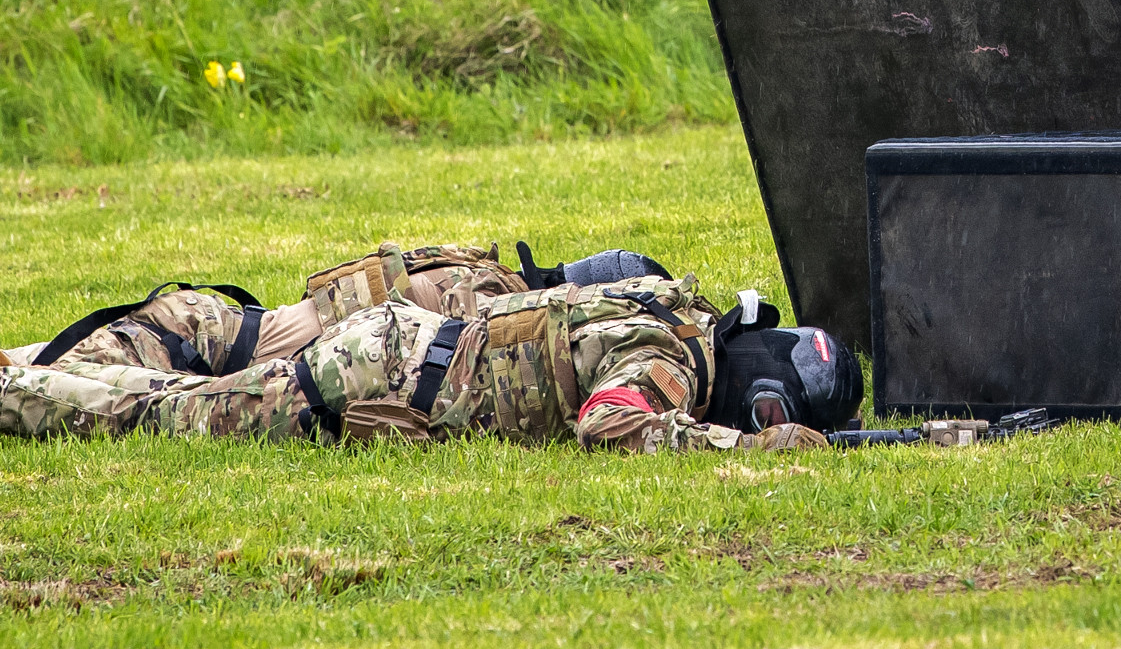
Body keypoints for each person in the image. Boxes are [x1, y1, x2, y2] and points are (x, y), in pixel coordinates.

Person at [0, 269, 860, 452]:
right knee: (164, 413)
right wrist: (739, 451)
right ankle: (16, 388)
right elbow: (612, 422)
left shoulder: (672, 301)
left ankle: (25, 368)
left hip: (397, 344)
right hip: (382, 381)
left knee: (191, 383)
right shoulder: (669, 359)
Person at [0, 242, 668, 377]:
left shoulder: (476, 273)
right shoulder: (485, 296)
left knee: (42, 371)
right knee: (35, 379)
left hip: (214, 338)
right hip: (206, 341)